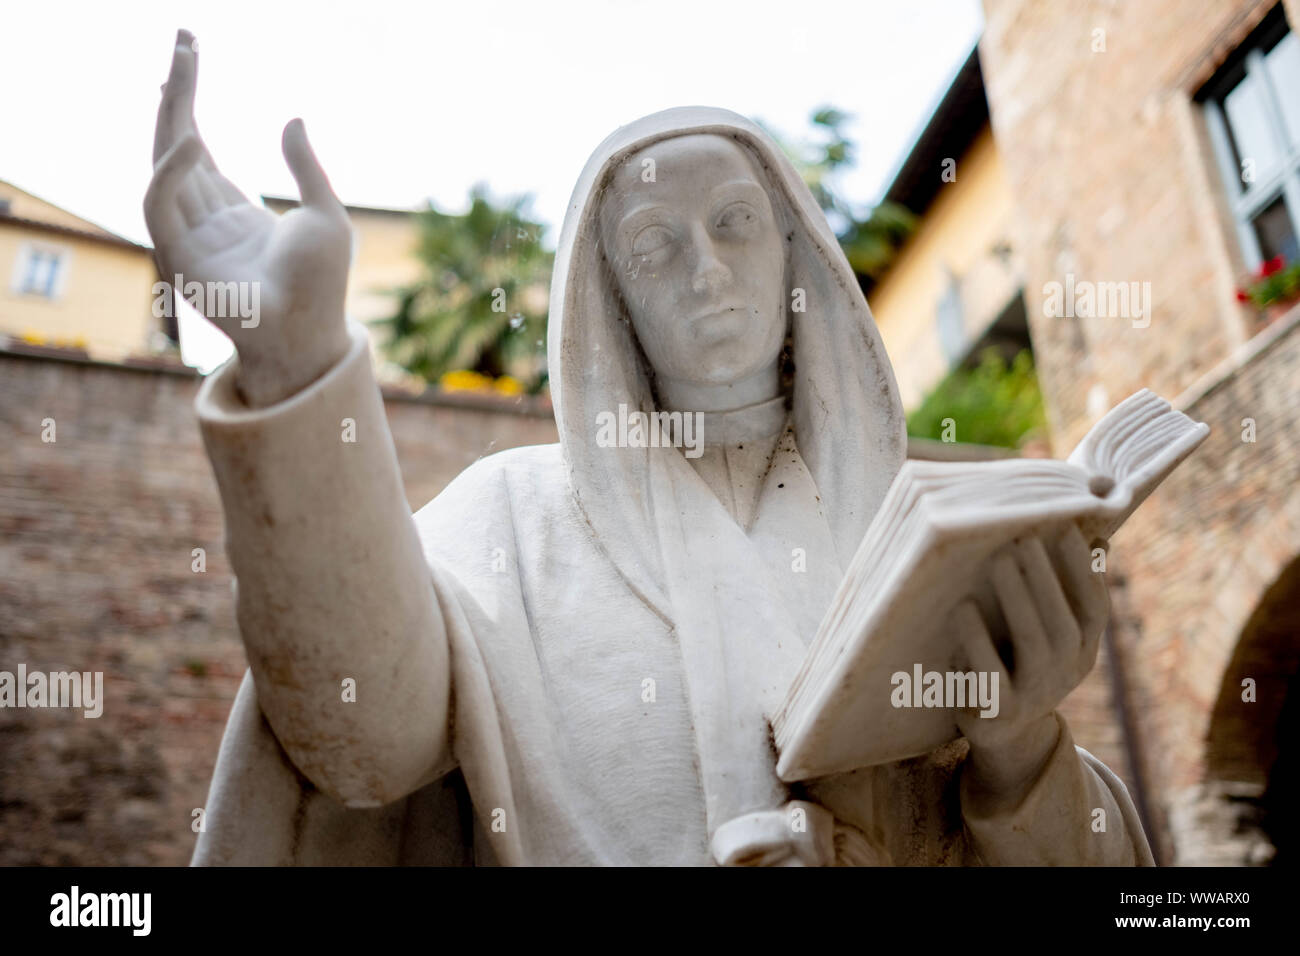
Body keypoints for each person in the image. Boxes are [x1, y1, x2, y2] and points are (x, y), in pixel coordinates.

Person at [145, 30, 1154, 866]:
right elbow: (362, 737)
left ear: (794, 248)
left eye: (734, 223)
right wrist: (301, 369)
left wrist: (1018, 754)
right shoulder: (510, 518)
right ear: (613, 296)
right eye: (654, 245)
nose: (705, 269)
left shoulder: (915, 524)